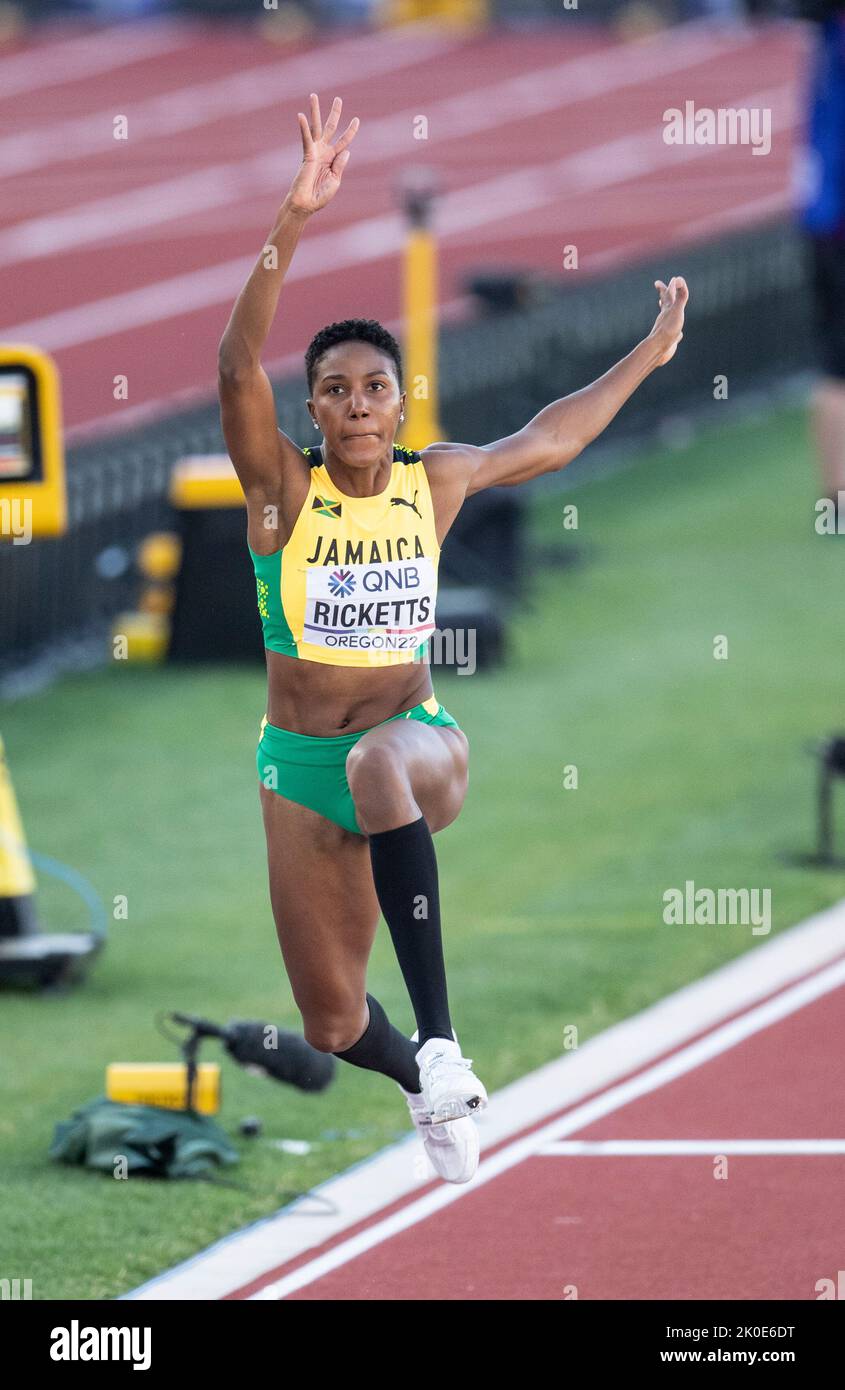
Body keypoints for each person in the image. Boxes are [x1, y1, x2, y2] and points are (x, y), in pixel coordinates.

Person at [217, 93, 688, 1185]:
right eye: (333, 391)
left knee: (381, 761)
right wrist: (294, 214)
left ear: (396, 400)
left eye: (373, 387)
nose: (356, 405)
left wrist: (646, 357)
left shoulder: (435, 481)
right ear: (317, 413)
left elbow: (549, 439)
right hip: (295, 766)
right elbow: (238, 367)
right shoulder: (279, 494)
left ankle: (438, 1040)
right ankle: (416, 1085)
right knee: (332, 1020)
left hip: (415, 741)